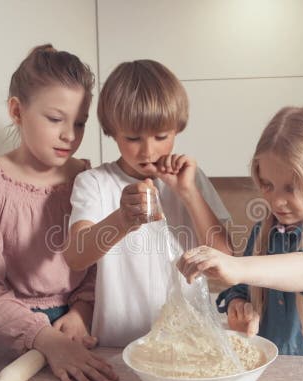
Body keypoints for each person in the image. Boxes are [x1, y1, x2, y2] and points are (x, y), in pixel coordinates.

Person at [0, 44, 119, 381]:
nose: (70, 135)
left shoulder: (87, 179)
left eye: (79, 122)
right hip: (17, 338)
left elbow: (97, 264)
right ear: (17, 111)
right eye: (55, 119)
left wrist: (82, 313)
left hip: (83, 328)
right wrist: (45, 338)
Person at [64, 59, 232, 347]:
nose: (148, 150)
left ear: (177, 130)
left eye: (161, 136)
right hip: (119, 347)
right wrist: (121, 219)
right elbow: (76, 256)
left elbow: (226, 260)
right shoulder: (94, 182)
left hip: (190, 344)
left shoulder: (191, 178)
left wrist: (189, 193)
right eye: (132, 137)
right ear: (112, 131)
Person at [177, 106, 303, 358]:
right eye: (268, 185)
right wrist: (239, 307)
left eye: (291, 188)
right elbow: (242, 290)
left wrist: (236, 266)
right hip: (274, 375)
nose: (277, 202)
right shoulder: (261, 234)